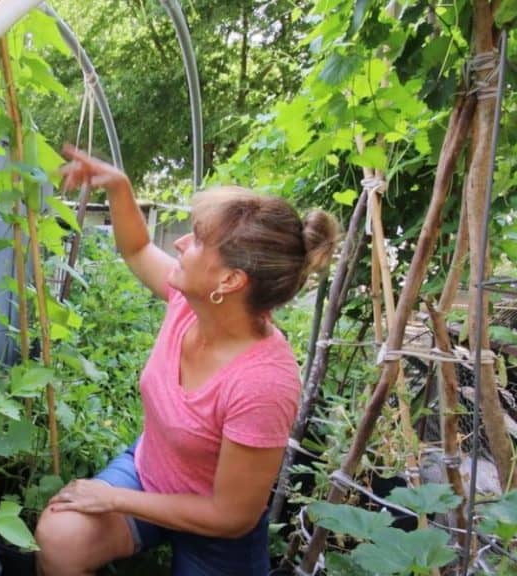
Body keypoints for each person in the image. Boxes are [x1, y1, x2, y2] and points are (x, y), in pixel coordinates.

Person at [35, 145, 339, 576]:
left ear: (230, 281)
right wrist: (120, 188)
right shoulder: (188, 302)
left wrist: (114, 498)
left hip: (216, 528)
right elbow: (139, 248)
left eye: (196, 239)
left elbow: (230, 515)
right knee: (61, 536)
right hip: (150, 474)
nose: (179, 243)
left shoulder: (264, 383)